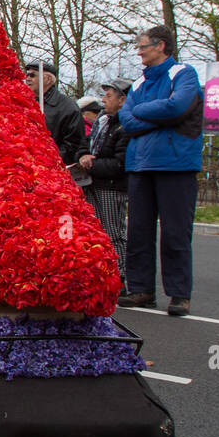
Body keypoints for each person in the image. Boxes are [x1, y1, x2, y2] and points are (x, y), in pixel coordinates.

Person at [118, 25, 203, 316]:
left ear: (161, 46)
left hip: (176, 164)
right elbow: (126, 120)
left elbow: (178, 107)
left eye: (143, 46)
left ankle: (179, 294)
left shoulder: (183, 73)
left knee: (175, 232)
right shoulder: (140, 83)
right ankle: (141, 289)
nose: (139, 52)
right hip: (140, 164)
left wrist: (146, 112)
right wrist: (159, 114)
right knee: (138, 231)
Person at [78, 79, 131, 287]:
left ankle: (120, 275)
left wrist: (92, 165)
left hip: (111, 187)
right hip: (94, 183)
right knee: (97, 231)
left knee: (113, 232)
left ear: (122, 100)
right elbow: (86, 143)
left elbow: (120, 162)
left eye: (109, 96)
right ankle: (102, 273)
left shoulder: (124, 126)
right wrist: (83, 155)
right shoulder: (102, 121)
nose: (104, 100)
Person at [24, 61, 86, 166]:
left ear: (48, 79)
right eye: (27, 75)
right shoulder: (25, 103)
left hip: (51, 167)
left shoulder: (68, 107)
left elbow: (73, 144)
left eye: (32, 75)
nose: (27, 79)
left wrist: (47, 161)